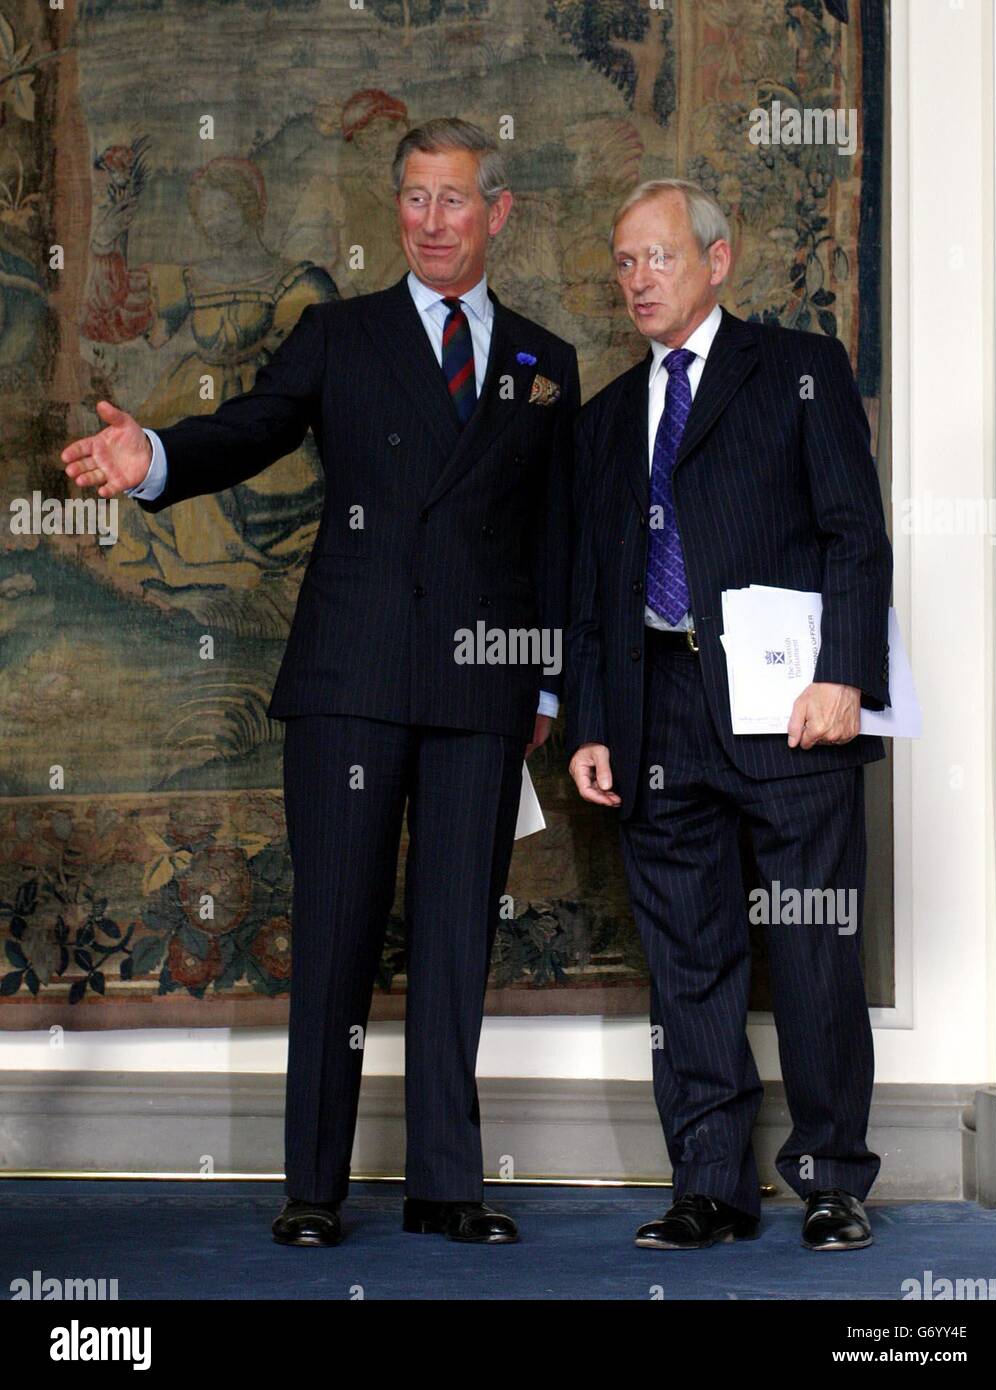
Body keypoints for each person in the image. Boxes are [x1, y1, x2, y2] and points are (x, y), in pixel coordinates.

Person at [61, 117, 579, 1248]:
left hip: (480, 695)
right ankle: (314, 1187)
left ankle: (450, 1183)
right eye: (413, 199)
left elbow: (556, 536)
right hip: (349, 679)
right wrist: (152, 458)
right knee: (336, 930)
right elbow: (248, 431)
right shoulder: (337, 334)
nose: (430, 221)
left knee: (454, 942)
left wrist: (544, 684)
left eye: (453, 201)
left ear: (498, 213)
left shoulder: (547, 362)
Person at [566, 178, 892, 1252]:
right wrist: (593, 723)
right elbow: (593, 583)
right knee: (689, 960)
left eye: (656, 257)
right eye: (623, 263)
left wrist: (845, 673)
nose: (637, 280)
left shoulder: (799, 370)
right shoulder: (609, 418)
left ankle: (834, 1177)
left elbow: (855, 532)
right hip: (658, 714)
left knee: (809, 951)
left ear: (718, 259)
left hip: (790, 709)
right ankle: (709, 1184)